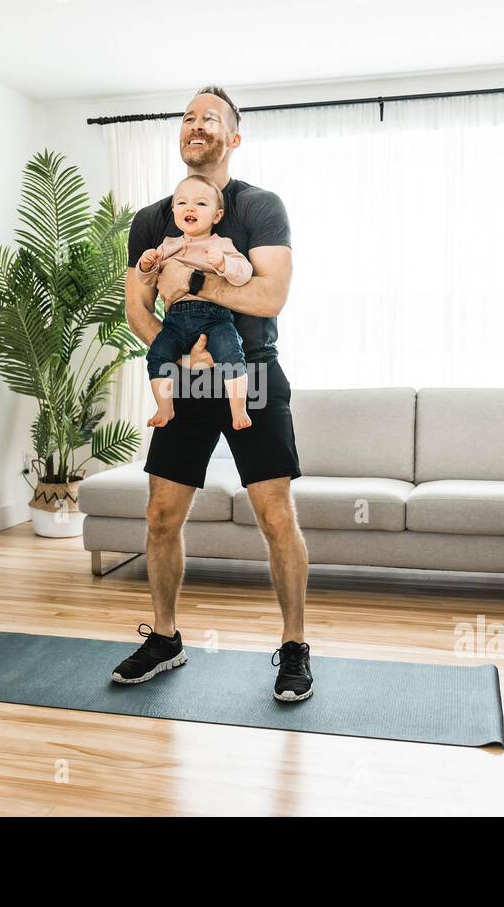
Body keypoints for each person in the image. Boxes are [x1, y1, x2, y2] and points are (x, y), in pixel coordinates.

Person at [112, 85, 314, 701]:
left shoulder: (260, 208)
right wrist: (178, 352)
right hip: (183, 381)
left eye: (210, 119)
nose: (195, 126)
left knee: (275, 516)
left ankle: (294, 646)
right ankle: (167, 638)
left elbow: (268, 297)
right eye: (187, 119)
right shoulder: (151, 220)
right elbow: (137, 311)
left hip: (250, 372)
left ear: (233, 137)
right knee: (160, 515)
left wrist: (196, 281)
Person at [136, 173, 254, 431]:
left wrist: (224, 264)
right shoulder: (167, 246)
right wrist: (146, 265)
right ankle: (165, 406)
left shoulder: (222, 244)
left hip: (214, 317)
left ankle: (238, 408)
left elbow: (243, 272)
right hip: (175, 320)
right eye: (182, 203)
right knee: (157, 355)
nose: (190, 207)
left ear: (217, 216)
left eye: (201, 203)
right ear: (175, 210)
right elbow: (147, 280)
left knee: (231, 354)